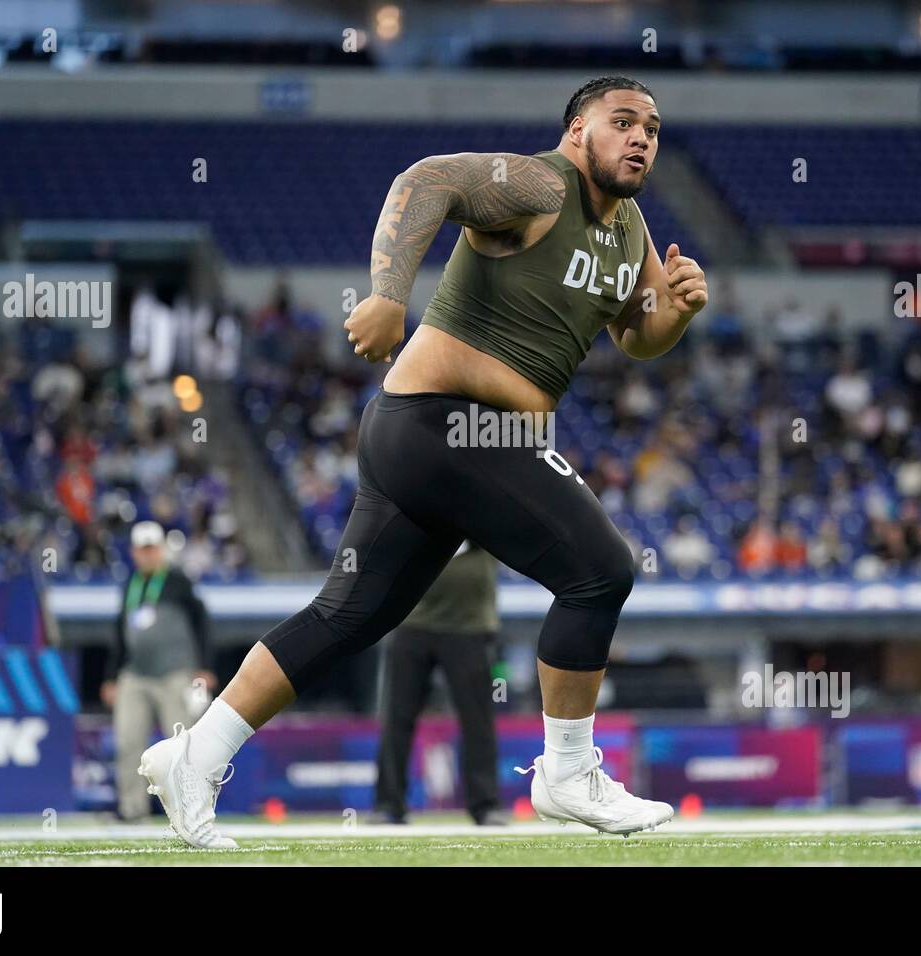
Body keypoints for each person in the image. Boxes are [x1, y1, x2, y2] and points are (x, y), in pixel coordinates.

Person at [140, 75, 707, 847]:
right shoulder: (541, 185)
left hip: (431, 436)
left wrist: (670, 312)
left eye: (653, 127)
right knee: (601, 570)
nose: (642, 137)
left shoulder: (632, 230)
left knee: (347, 615)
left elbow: (635, 338)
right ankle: (567, 775)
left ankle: (194, 755)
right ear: (578, 131)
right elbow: (428, 179)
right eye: (623, 122)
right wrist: (386, 293)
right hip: (451, 427)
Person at [372, 541, 504, 826]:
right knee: (397, 717)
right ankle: (388, 804)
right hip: (412, 624)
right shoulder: (425, 505)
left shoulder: (486, 507)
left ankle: (485, 805)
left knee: (477, 720)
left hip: (470, 627)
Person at [104, 521, 216, 822]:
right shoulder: (131, 584)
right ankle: (131, 808)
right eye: (143, 549)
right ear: (133, 552)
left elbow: (202, 623)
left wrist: (204, 666)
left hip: (174, 673)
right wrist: (111, 676)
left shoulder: (178, 581)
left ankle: (191, 809)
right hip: (135, 673)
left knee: (182, 746)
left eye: (153, 548)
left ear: (161, 549)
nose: (148, 554)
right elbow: (120, 632)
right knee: (128, 742)